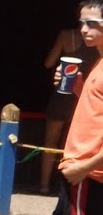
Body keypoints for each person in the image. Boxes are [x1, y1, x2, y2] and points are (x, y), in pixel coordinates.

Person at [39, 0, 103, 215]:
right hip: (76, 167)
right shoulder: (97, 63)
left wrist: (87, 167)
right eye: (83, 22)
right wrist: (76, 86)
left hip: (89, 172)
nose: (84, 29)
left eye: (92, 23)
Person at [40, 24, 99, 194]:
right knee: (71, 144)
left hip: (63, 95)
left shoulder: (66, 35)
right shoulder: (98, 42)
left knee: (50, 142)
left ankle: (44, 184)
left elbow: (48, 62)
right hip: (86, 96)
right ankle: (65, 183)